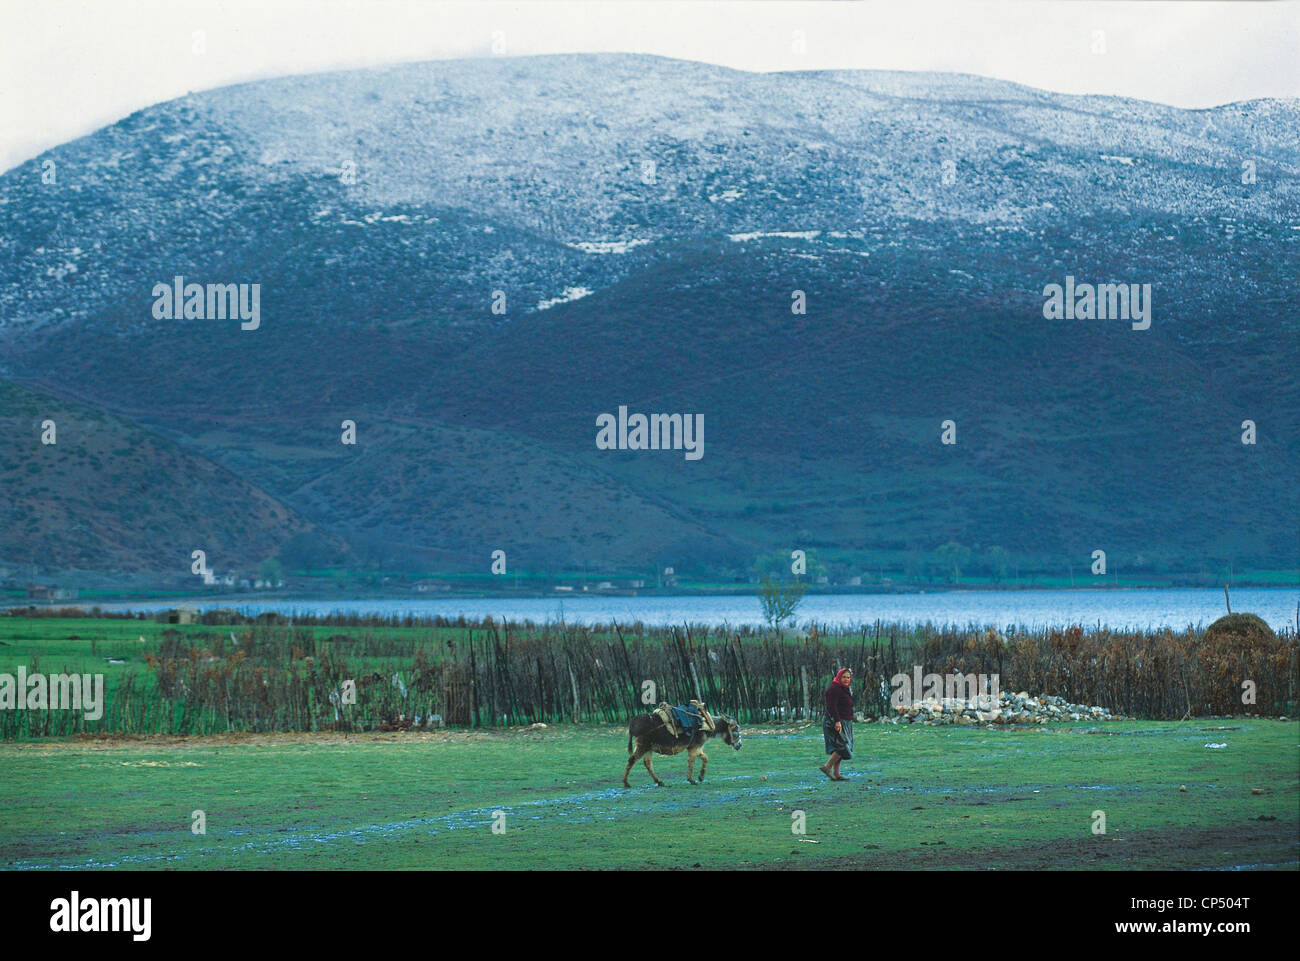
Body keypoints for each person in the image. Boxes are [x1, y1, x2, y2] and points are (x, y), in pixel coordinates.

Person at [820, 667, 854, 781]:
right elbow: (832, 706)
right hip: (834, 721)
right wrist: (837, 721)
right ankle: (827, 767)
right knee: (842, 746)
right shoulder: (834, 689)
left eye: (848, 677)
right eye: (844, 677)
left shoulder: (844, 689)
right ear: (839, 677)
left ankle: (836, 773)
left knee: (840, 746)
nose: (846, 679)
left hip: (844, 721)